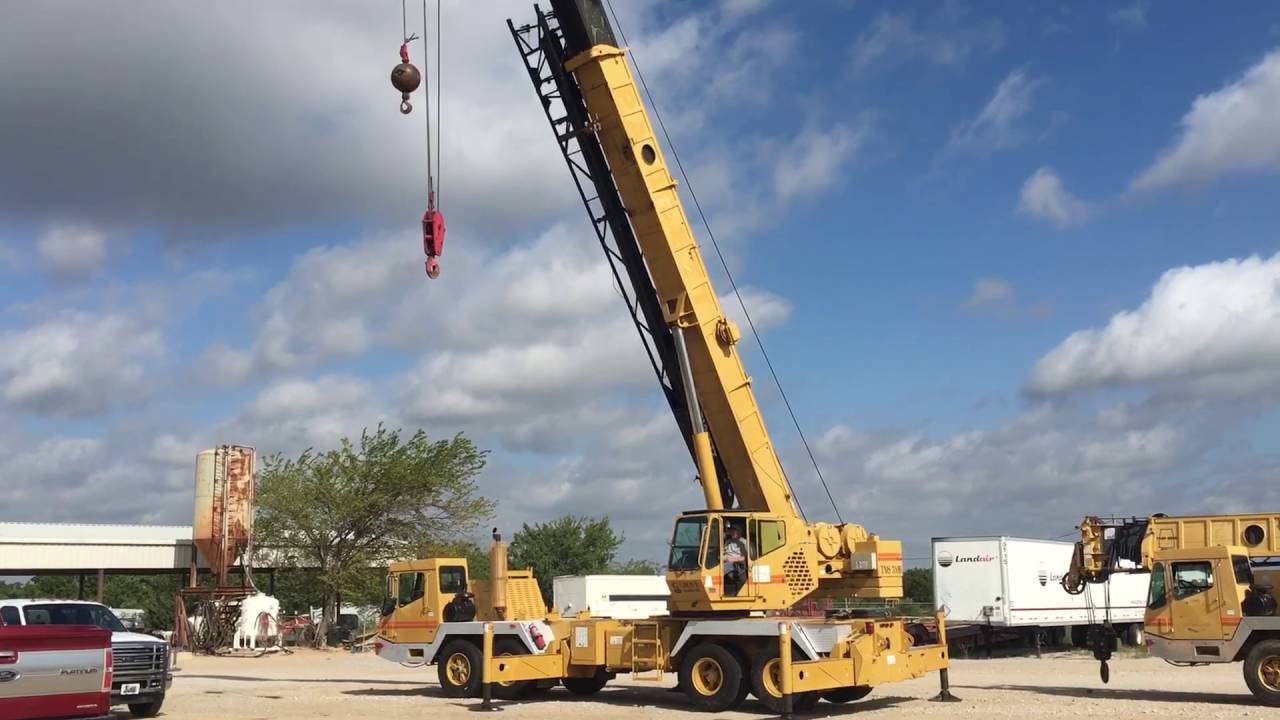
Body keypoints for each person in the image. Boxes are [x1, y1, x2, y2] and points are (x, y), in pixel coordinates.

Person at [723, 525, 747, 596]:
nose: (732, 533)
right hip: (726, 562)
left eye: (734, 531)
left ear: (739, 532)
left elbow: (746, 558)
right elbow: (724, 552)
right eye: (731, 531)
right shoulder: (728, 542)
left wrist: (733, 559)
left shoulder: (743, 542)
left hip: (738, 565)